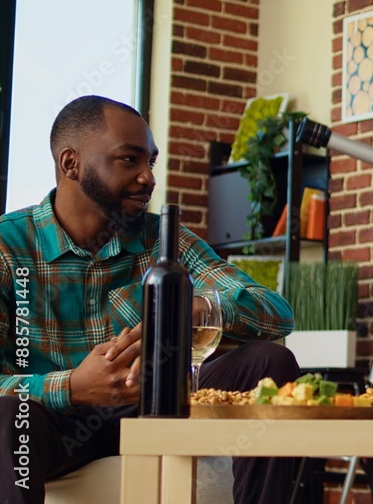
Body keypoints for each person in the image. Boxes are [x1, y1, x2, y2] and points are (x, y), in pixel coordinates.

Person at [0, 96, 300, 504]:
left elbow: (277, 313)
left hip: (153, 406)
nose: (148, 178)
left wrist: (202, 307)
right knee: (9, 415)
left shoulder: (163, 239)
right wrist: (71, 387)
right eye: (129, 160)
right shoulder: (8, 246)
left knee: (269, 361)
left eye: (151, 162)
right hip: (53, 427)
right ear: (71, 163)